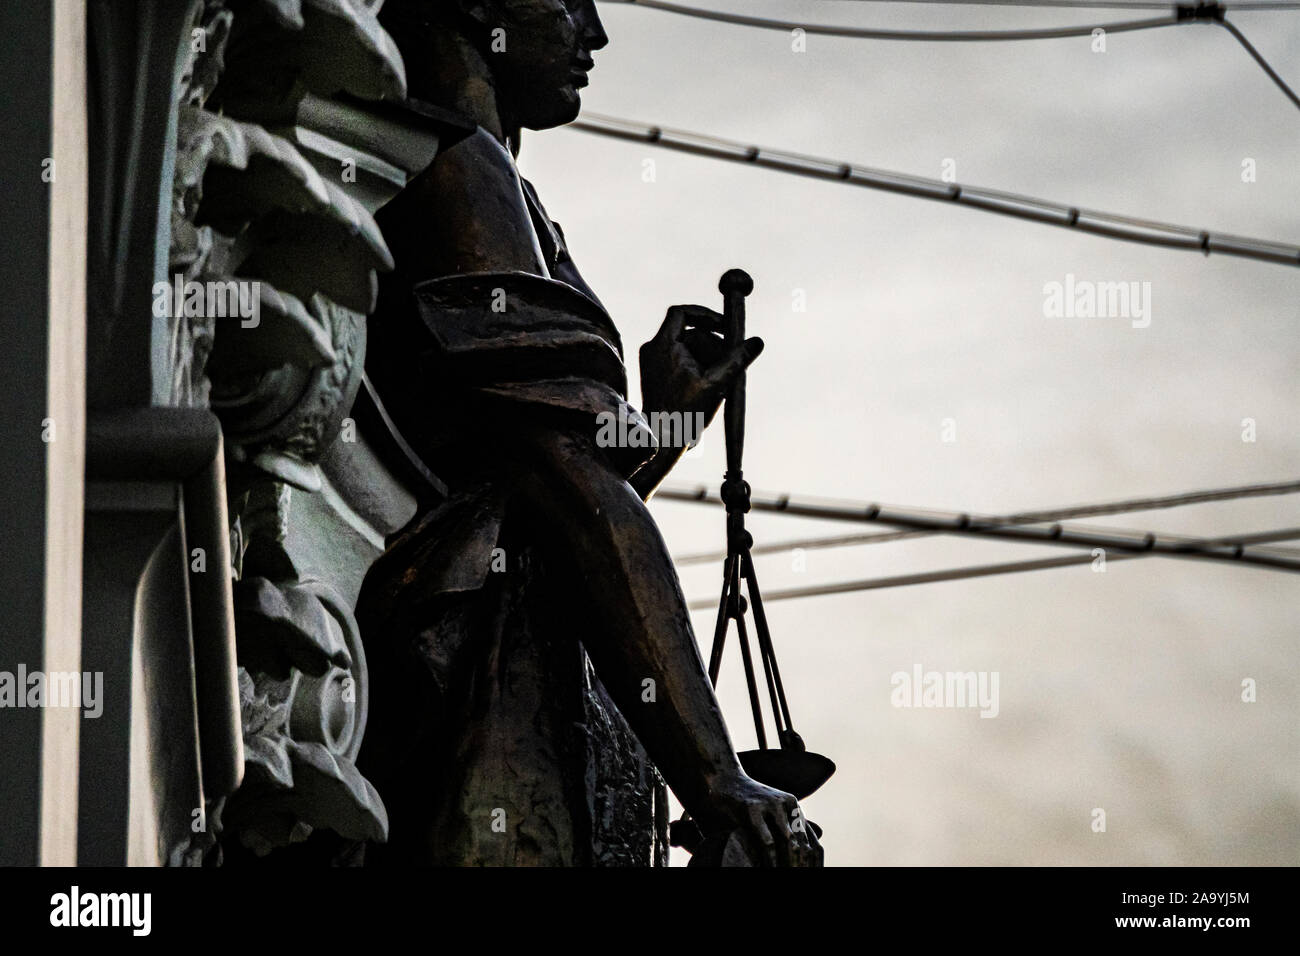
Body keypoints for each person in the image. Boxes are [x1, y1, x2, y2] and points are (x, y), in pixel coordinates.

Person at [358, 0, 818, 866]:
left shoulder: (496, 187)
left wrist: (666, 423)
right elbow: (554, 478)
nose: (594, 33)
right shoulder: (457, 163)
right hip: (471, 707)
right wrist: (718, 780)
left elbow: (525, 502)